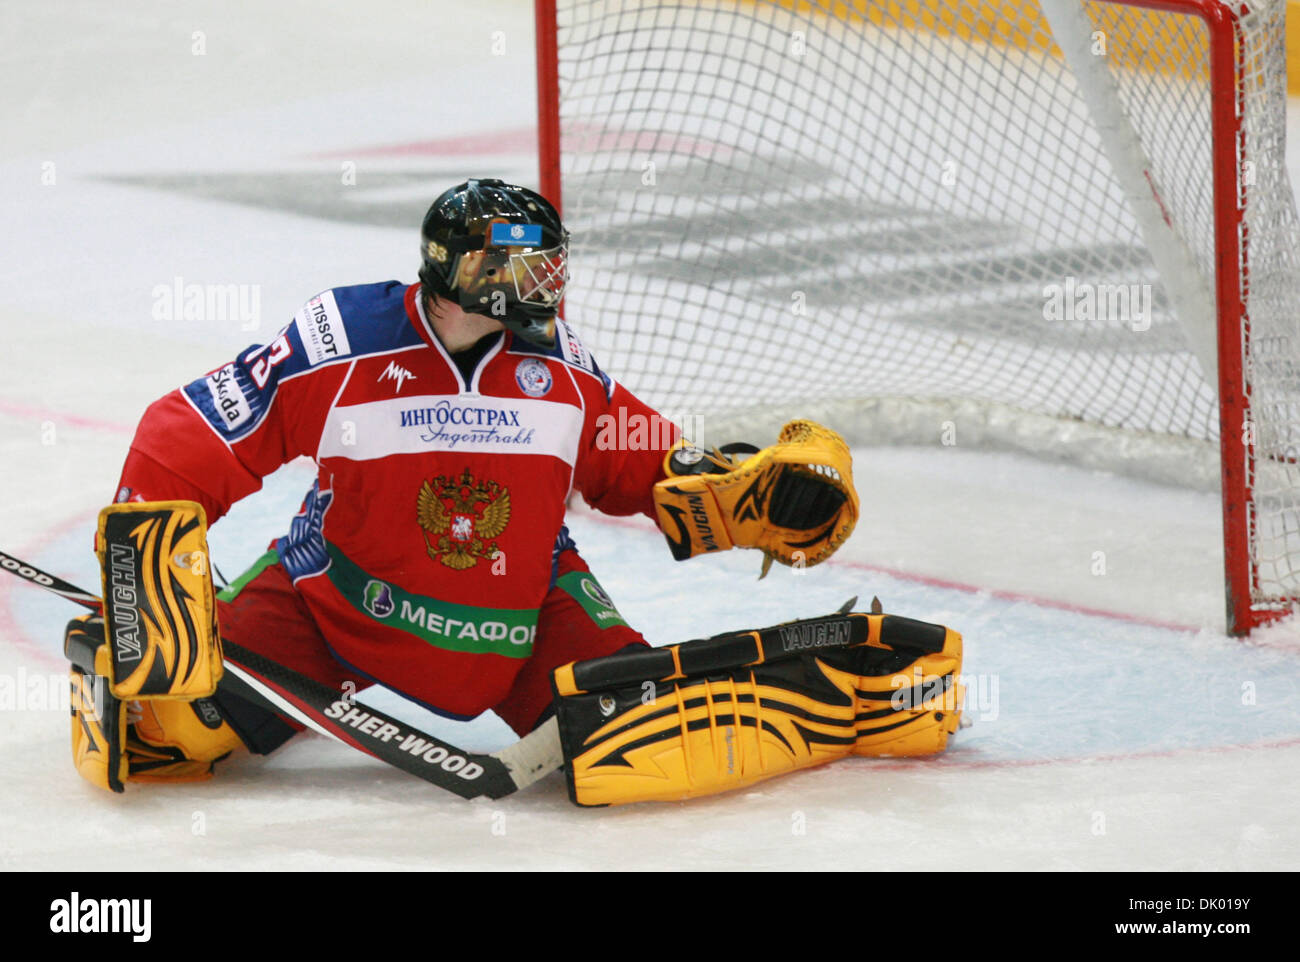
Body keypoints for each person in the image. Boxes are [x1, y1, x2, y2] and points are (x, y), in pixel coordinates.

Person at [66, 180, 932, 805]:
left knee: (646, 740)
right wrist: (142, 592)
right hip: (329, 603)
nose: (545, 288)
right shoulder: (343, 339)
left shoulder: (562, 367)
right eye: (523, 269)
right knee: (165, 734)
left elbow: (645, 464)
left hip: (522, 619)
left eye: (551, 268)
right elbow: (185, 434)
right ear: (461, 267)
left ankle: (853, 700)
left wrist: (746, 495)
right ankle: (129, 673)